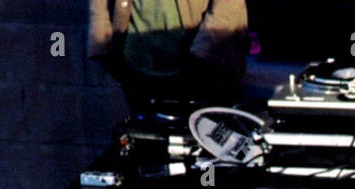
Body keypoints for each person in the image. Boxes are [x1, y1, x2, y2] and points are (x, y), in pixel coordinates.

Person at [89, 0, 249, 110]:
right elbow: (98, 6)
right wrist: (102, 45)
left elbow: (228, 7)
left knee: (197, 146)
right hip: (137, 62)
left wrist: (201, 56)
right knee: (148, 143)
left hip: (197, 68)